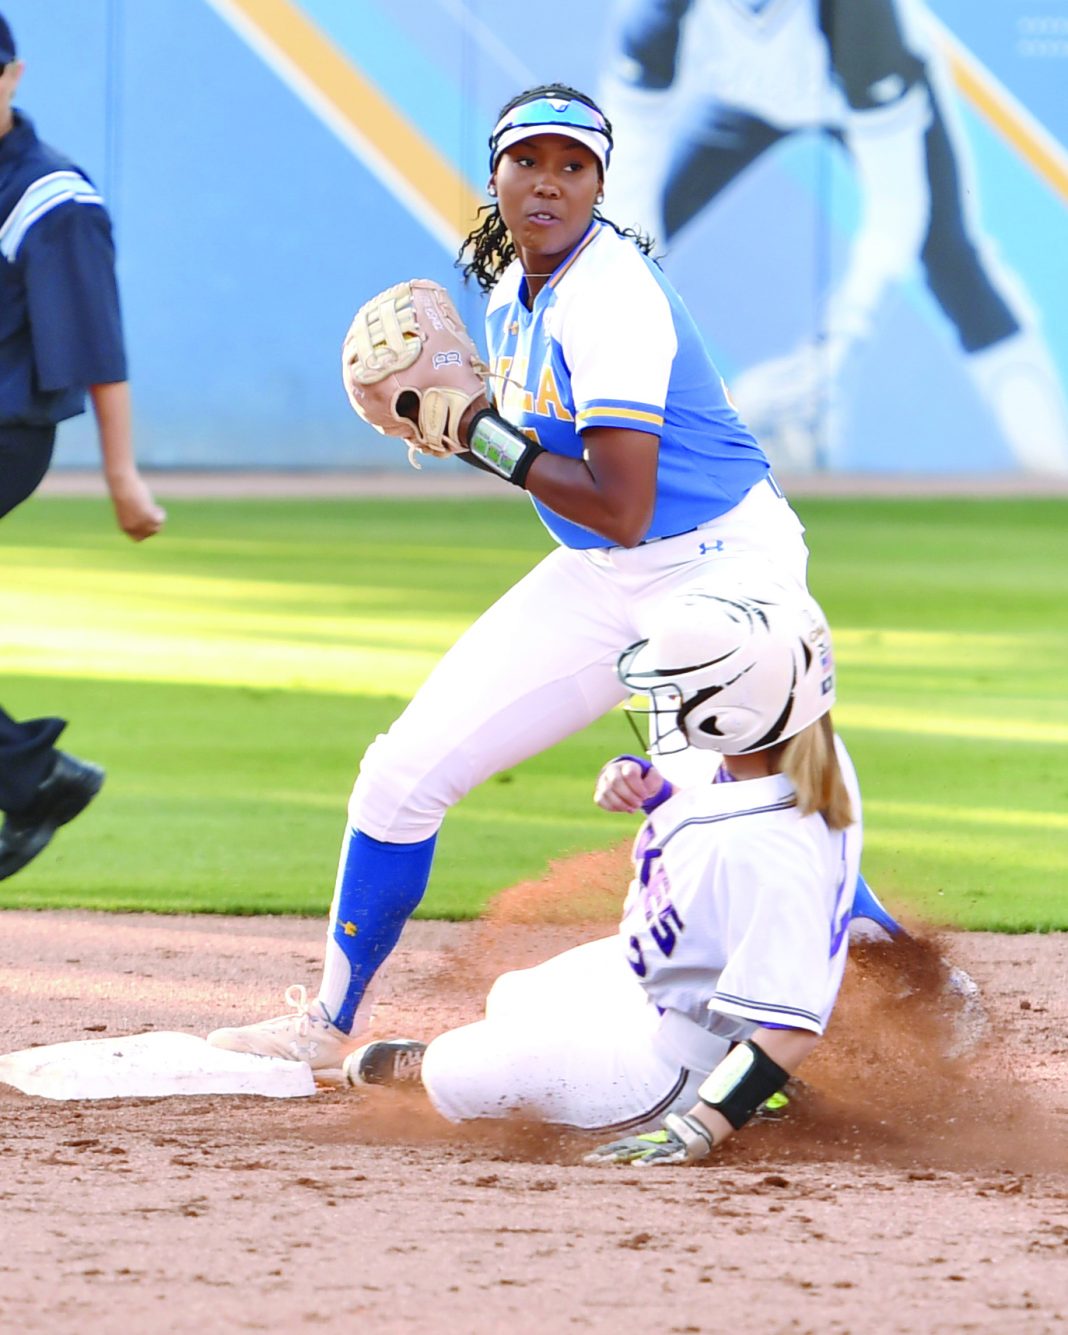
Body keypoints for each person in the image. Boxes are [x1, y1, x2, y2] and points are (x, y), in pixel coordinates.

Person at [207, 82, 841, 1070]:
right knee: (401, 776)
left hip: (721, 572)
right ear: (496, 174)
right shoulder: (513, 294)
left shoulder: (612, 296)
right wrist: (455, 424)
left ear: (599, 184)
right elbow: (560, 479)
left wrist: (478, 436)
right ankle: (324, 1027)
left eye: (572, 166)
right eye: (529, 162)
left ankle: (907, 986)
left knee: (726, 818)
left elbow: (622, 498)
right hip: (600, 573)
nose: (548, 183)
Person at [344, 591, 858, 1167]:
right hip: (671, 990)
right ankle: (560, 1060)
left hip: (673, 1068)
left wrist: (700, 1128)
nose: (662, 699)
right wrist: (656, 791)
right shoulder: (803, 751)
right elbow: (717, 815)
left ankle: (753, 1099)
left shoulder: (767, 852)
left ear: (730, 715)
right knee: (517, 996)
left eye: (678, 689)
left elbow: (791, 1024)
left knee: (451, 1071)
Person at [599, 0, 1068, 473]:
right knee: (613, 249)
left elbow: (897, 205)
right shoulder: (656, 10)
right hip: (739, 99)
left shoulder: (861, 16)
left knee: (952, 261)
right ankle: (580, 424)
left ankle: (1050, 471)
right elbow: (628, 185)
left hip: (856, 98)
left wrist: (836, 348)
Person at [0, 13, 165, 880]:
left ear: (13, 75)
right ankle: (31, 776)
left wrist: (122, 475)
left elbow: (96, 344)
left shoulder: (50, 197)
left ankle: (33, 775)